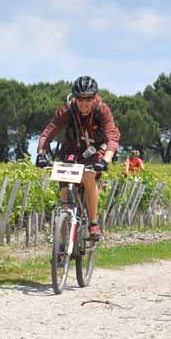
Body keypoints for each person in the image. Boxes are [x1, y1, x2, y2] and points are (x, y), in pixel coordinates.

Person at [35, 75, 119, 240]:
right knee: (64, 186)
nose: (84, 103)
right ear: (75, 98)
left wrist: (106, 160)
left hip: (96, 150)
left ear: (94, 97)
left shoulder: (102, 110)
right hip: (72, 149)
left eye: (88, 99)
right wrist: (41, 154)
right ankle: (62, 243)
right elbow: (48, 132)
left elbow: (112, 137)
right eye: (80, 99)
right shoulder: (67, 109)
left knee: (89, 175)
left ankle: (93, 223)